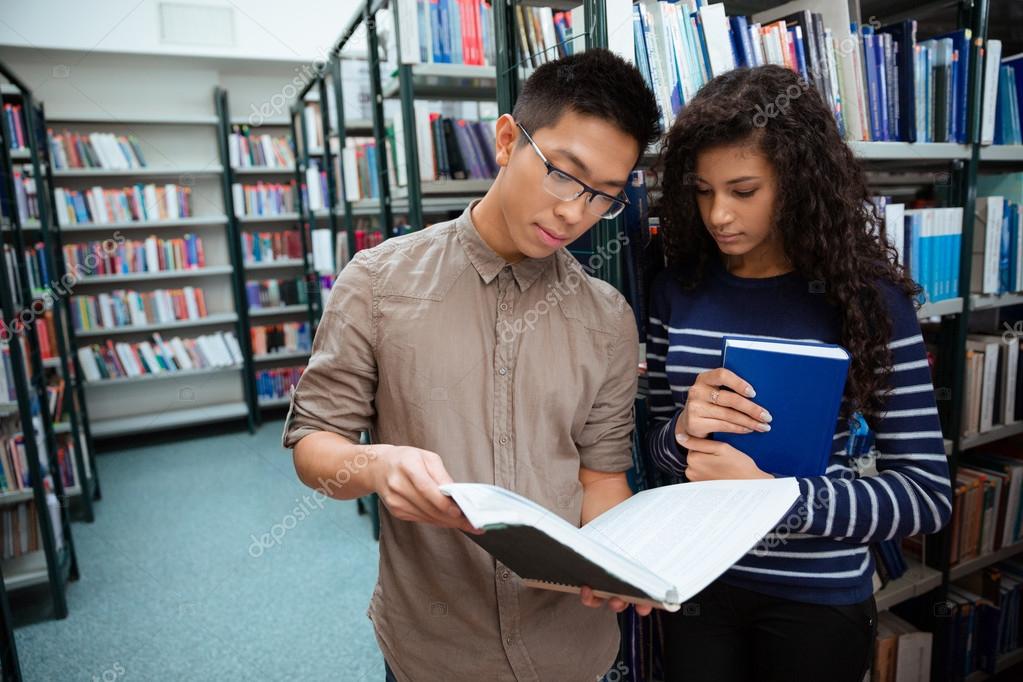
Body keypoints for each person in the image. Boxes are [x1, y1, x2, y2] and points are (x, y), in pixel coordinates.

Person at [282, 48, 661, 682]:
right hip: (434, 650)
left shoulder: (608, 318)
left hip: (571, 647)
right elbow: (312, 448)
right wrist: (377, 465)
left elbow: (601, 480)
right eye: (564, 174)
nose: (575, 211)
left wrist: (620, 561)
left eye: (603, 197)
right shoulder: (378, 284)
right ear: (508, 140)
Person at [644, 64, 952, 682]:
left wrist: (773, 496)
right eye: (703, 191)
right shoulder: (677, 287)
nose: (718, 215)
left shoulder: (864, 299)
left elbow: (925, 496)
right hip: (695, 579)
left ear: (798, 181)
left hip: (816, 599)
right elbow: (654, 452)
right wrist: (680, 434)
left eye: (743, 190)